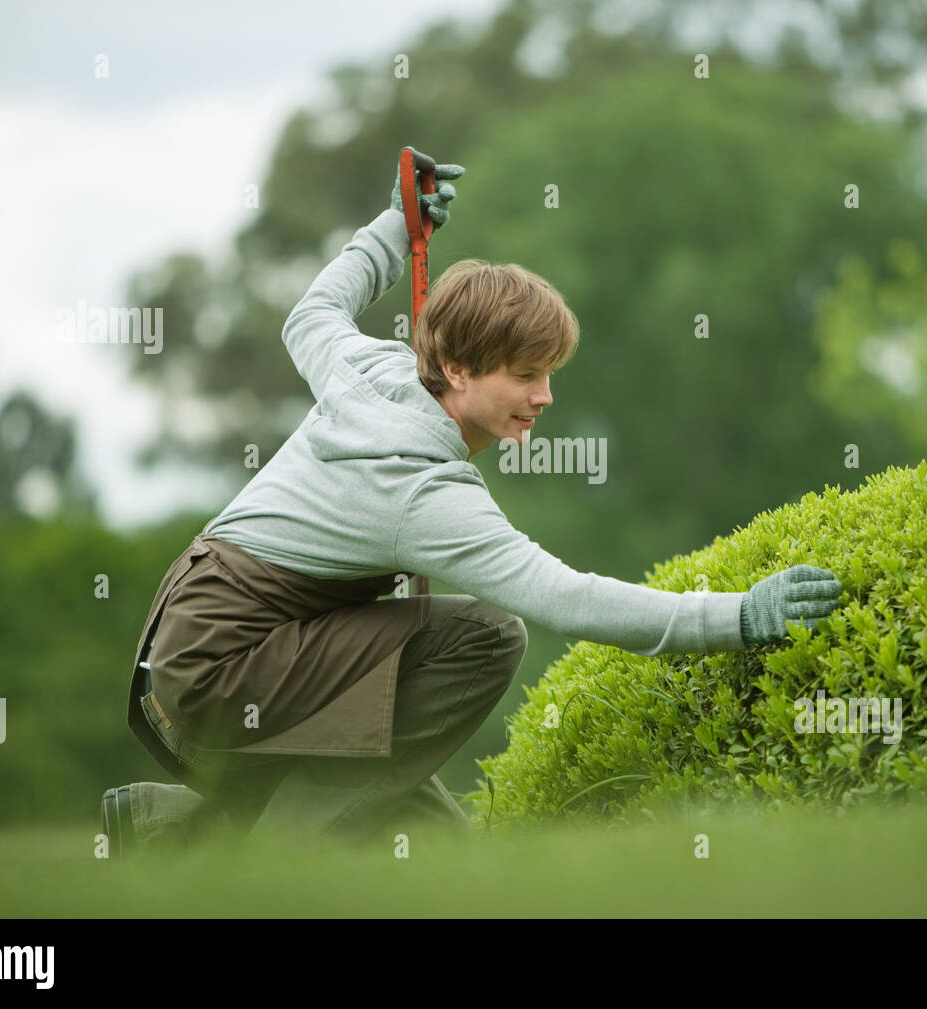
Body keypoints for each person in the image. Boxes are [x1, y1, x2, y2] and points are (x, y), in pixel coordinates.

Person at [99, 149, 843, 859]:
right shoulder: (424, 491)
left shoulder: (373, 367)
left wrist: (395, 226)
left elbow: (312, 313)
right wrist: (738, 615)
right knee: (489, 636)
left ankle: (164, 827)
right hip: (219, 671)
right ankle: (259, 858)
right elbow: (569, 599)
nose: (545, 396)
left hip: (185, 639)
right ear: (455, 367)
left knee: (449, 850)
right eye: (525, 375)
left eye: (548, 374)